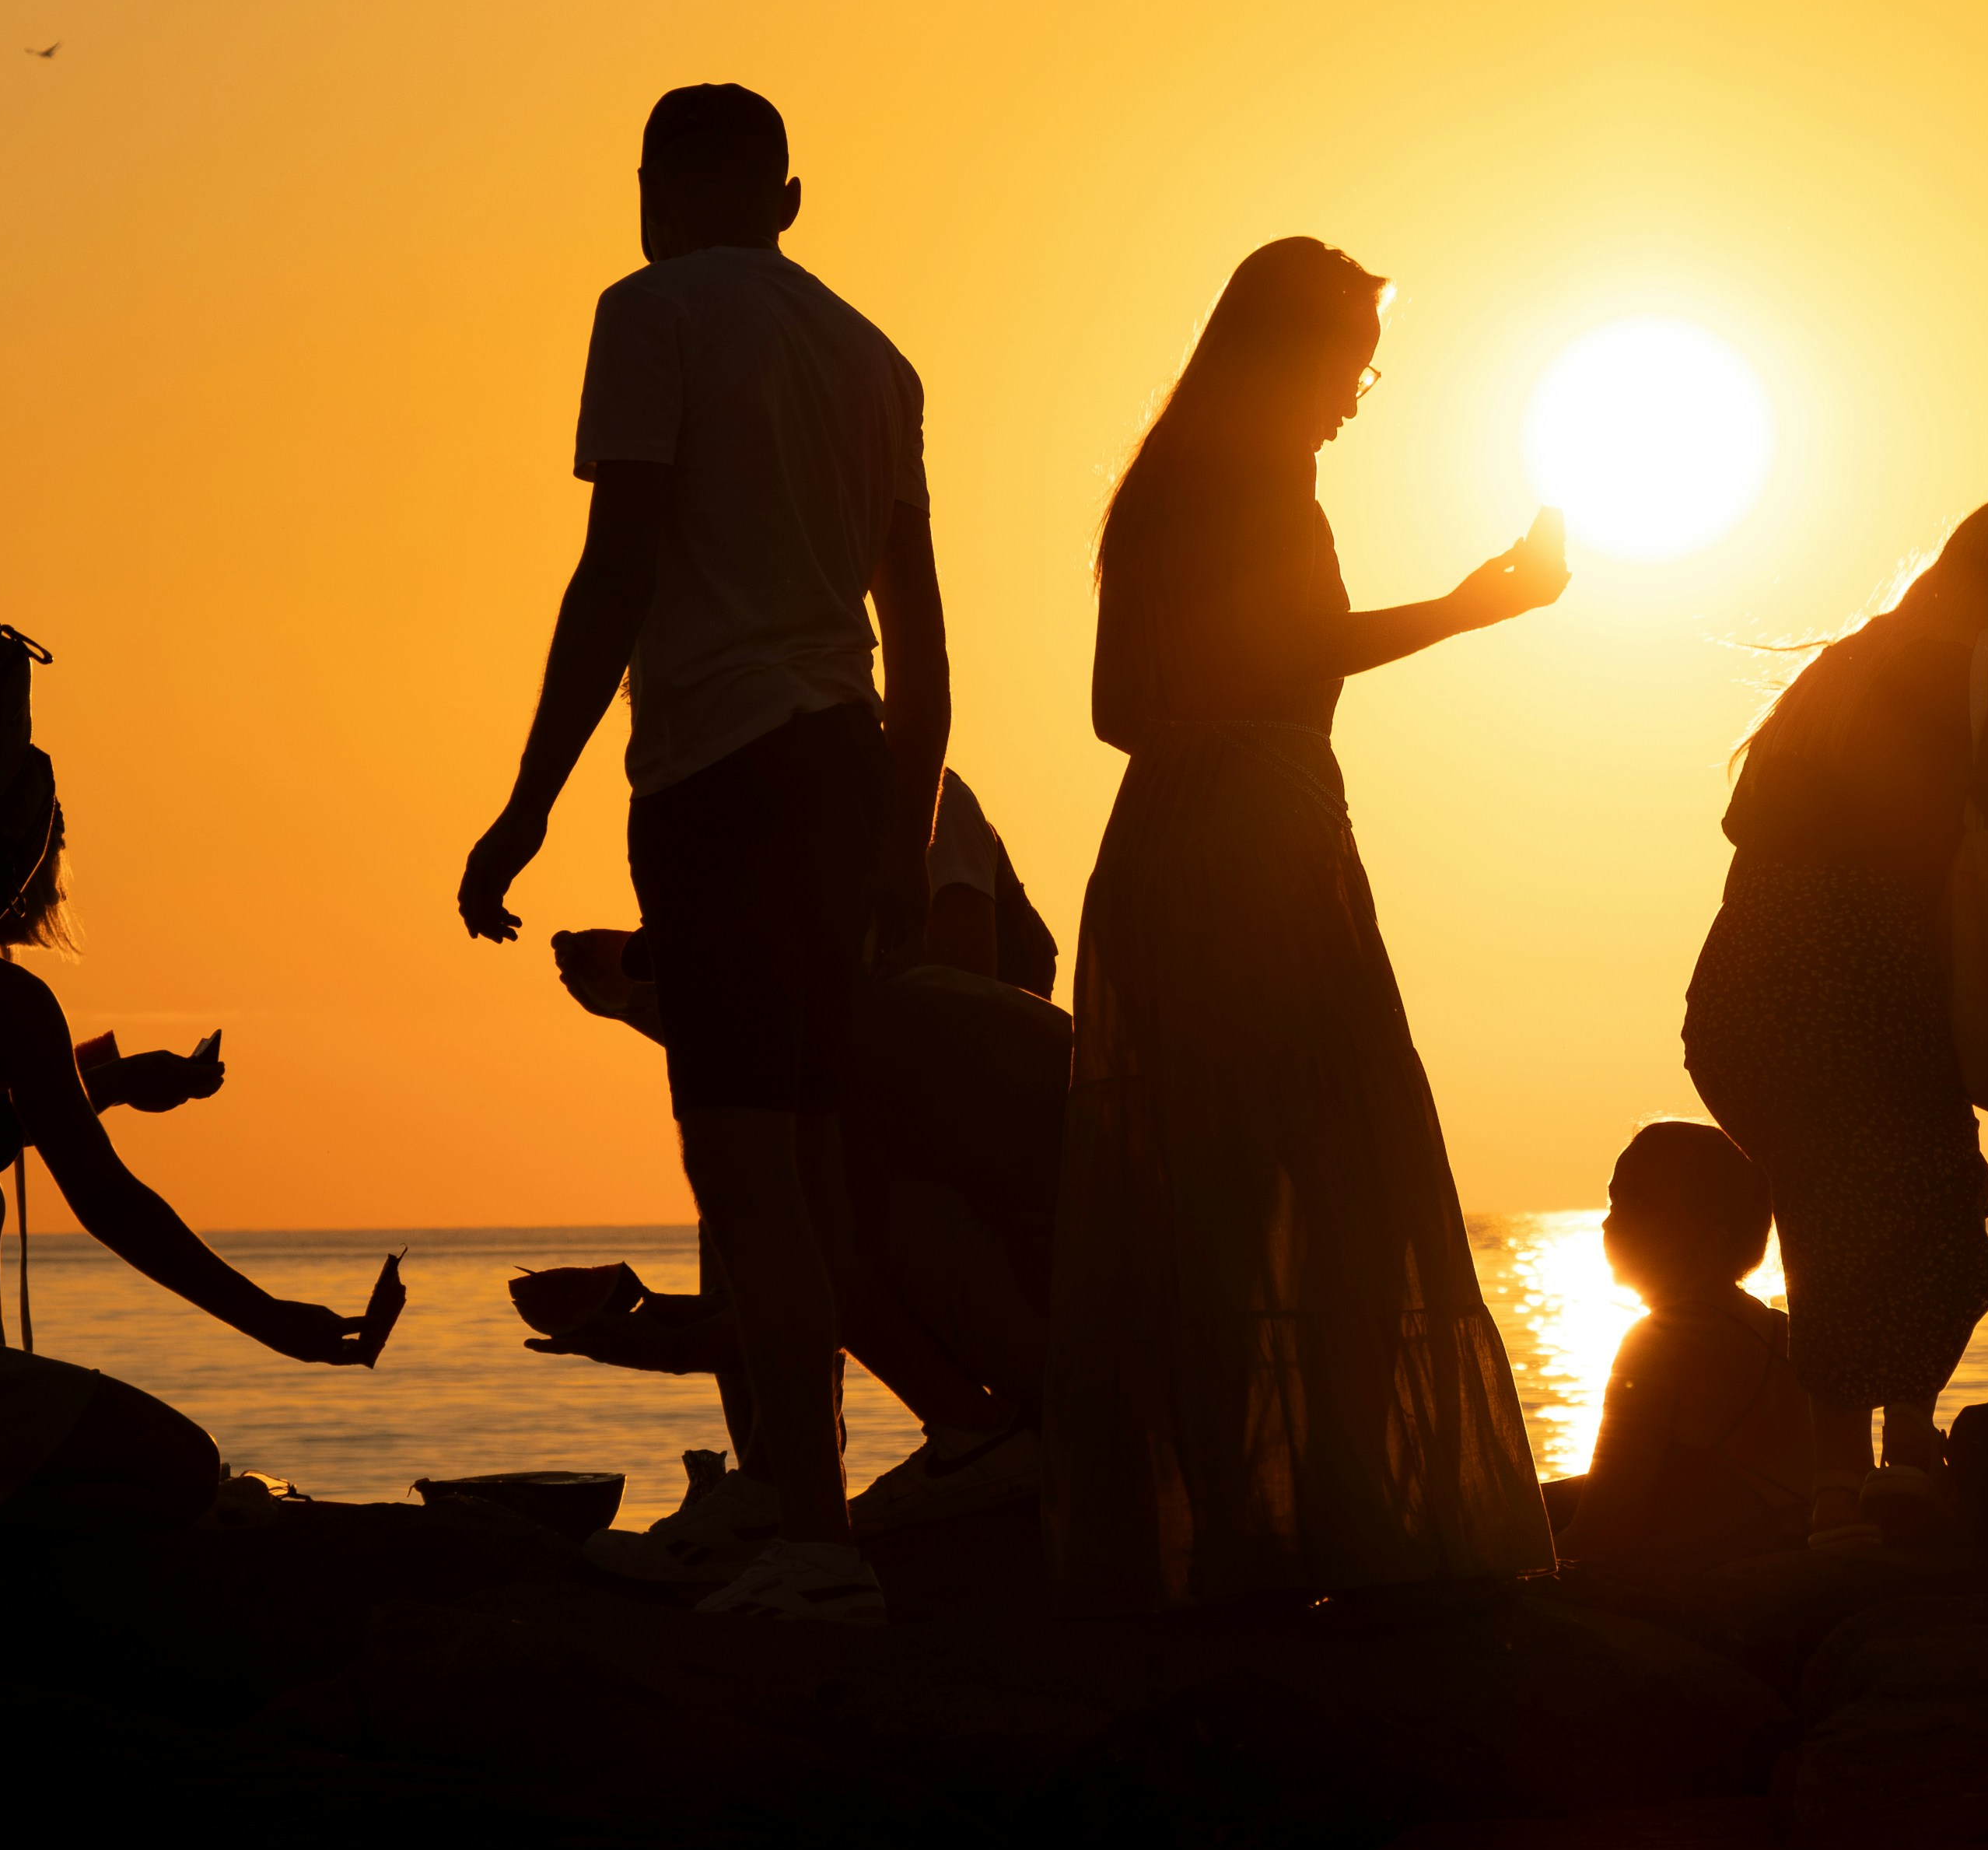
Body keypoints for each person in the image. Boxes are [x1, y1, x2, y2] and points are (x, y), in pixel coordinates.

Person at [457, 84, 946, 1623]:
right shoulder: (875, 356)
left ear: (659, 191)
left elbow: (621, 561)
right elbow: (920, 630)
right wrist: (904, 829)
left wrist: (527, 798)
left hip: (721, 767)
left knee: (742, 1162)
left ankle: (813, 1530)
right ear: (787, 199)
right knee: (800, 1155)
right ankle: (797, 1502)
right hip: (842, 760)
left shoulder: (650, 311)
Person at [1044, 235, 1563, 1608]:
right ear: (1290, 354)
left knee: (1215, 1205)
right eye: (1349, 363)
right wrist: (1466, 609)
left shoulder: (1164, 488)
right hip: (1261, 853)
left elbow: (1117, 713)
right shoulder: (1259, 487)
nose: (1358, 393)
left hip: (1166, 853)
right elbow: (1284, 660)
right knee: (1340, 1194)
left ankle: (1236, 1530)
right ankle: (1345, 1512)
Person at [1685, 493, 1988, 1547]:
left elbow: (1754, 839)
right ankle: (1883, 1468)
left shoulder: (1838, 672)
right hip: (1863, 984)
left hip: (1739, 993)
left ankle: (1863, 1472)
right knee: (1923, 1205)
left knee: (1837, 1216)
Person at [530, 767, 1059, 1570]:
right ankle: (775, 1476)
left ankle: (966, 1437)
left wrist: (672, 1343)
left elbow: (825, 1253)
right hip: (995, 1249)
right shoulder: (854, 991)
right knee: (754, 1158)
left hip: (1034, 1285)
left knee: (790, 1184)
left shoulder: (906, 977)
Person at [0, 807, 389, 1547]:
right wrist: (269, 1318)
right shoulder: (5, 1001)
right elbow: (109, 1202)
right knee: (181, 1473)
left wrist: (111, 1083)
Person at [1570, 1120, 1815, 1580]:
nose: (1609, 1222)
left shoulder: (1660, 1343)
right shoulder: (1790, 1332)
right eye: (1612, 1201)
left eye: (1636, 1203)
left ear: (1710, 1234)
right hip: (1788, 1567)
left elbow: (1601, 1535)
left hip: (1705, 1590)